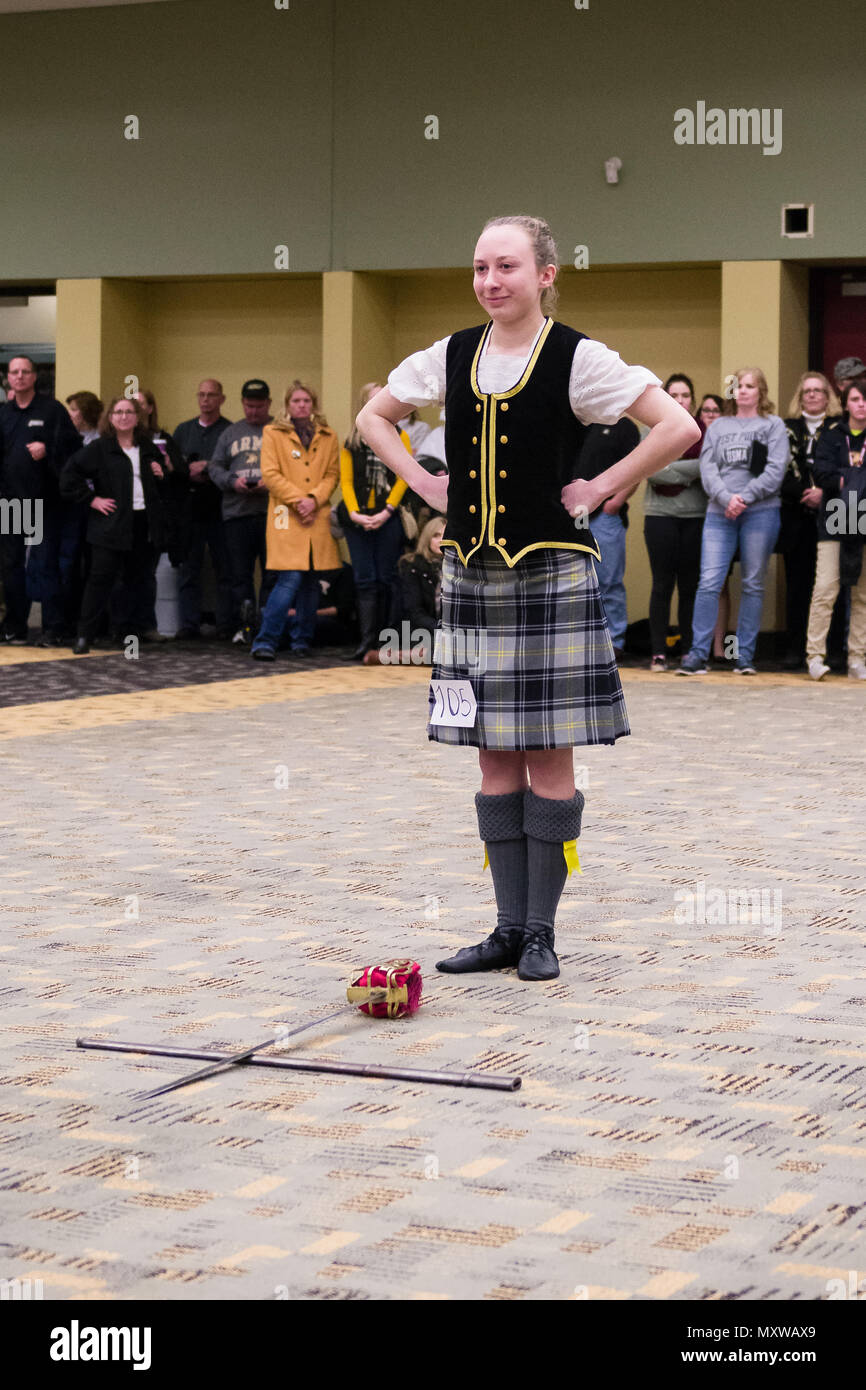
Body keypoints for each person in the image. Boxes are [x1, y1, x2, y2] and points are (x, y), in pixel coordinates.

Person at [357, 214, 697, 983]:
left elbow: (676, 426)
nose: (490, 281)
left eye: (506, 266)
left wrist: (603, 485)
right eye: (481, 267)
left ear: (545, 274)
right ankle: (506, 927)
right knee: (490, 760)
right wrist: (422, 482)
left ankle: (540, 931)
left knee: (548, 757)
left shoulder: (578, 357)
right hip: (470, 579)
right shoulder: (451, 354)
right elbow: (373, 417)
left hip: (550, 578)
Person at [678, 367, 789, 676]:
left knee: (752, 583)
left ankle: (744, 657)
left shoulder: (773, 425)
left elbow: (776, 469)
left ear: (761, 391)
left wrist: (745, 498)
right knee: (709, 581)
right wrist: (727, 499)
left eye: (750, 386)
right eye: (738, 385)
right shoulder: (718, 427)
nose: (743, 390)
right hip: (720, 513)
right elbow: (708, 468)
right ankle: (697, 655)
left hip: (761, 512)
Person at [60, 397, 188, 653]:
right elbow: (69, 476)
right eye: (118, 412)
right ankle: (85, 635)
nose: (124, 416)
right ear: (110, 417)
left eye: (129, 412)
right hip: (111, 524)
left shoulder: (148, 447)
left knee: (136, 580)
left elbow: (164, 484)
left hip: (143, 523)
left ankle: (128, 633)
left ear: (137, 418)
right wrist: (92, 499)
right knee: (100, 579)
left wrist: (161, 474)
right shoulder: (100, 448)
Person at [250, 380, 340, 660]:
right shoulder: (273, 432)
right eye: (296, 401)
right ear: (287, 405)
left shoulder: (328, 435)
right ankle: (265, 641)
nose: (301, 405)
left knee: (311, 581)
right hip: (286, 514)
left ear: (314, 404)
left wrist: (313, 499)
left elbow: (332, 474)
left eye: (306, 401)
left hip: (316, 513)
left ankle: (302, 640)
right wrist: (299, 500)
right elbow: (270, 474)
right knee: (289, 578)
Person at [0, 355, 81, 645]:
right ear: (8, 378)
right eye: (14, 372)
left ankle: (53, 628)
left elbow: (74, 447)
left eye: (25, 371)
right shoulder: (4, 413)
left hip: (44, 502)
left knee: (45, 563)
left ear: (35, 376)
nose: (19, 376)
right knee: (11, 566)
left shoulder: (52, 409)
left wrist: (48, 448)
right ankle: (15, 626)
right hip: (12, 504)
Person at [338, 383, 413, 662]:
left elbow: (405, 475)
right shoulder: (351, 441)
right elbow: (346, 481)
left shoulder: (400, 435)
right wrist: (355, 513)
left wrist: (387, 510)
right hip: (358, 517)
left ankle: (386, 641)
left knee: (387, 578)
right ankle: (366, 641)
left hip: (388, 516)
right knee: (365, 580)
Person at [642, 373, 708, 670]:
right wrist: (687, 472)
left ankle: (687, 651)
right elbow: (650, 470)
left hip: (695, 516)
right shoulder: (651, 428)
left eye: (685, 395)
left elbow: (706, 467)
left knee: (689, 587)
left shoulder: (701, 431)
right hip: (660, 517)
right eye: (674, 395)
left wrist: (669, 465)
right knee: (661, 585)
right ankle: (658, 652)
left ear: (692, 399)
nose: (680, 400)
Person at [780, 372, 842, 670]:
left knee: (832, 584)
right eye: (808, 391)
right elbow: (779, 468)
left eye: (819, 390)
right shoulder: (786, 428)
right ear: (800, 397)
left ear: (828, 397)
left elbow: (845, 469)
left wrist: (823, 493)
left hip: (833, 513)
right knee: (798, 584)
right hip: (796, 514)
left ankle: (834, 651)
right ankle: (795, 649)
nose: (813, 395)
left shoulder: (840, 428)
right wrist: (804, 493)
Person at [806, 375, 866, 681]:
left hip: (864, 520)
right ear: (845, 404)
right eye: (855, 399)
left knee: (863, 594)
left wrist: (849, 477)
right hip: (834, 518)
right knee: (826, 588)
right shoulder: (831, 435)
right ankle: (815, 656)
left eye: (865, 400)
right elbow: (821, 472)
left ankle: (858, 658)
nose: (861, 405)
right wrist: (854, 478)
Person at [206, 380, 274, 644]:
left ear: (268, 404)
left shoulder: (278, 431)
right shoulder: (230, 433)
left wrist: (272, 482)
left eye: (259, 406)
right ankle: (243, 627)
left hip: (271, 514)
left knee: (272, 574)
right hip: (236, 513)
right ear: (242, 403)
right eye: (249, 406)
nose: (253, 411)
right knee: (239, 575)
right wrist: (232, 482)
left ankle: (267, 626)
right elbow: (215, 467)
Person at [173, 379, 233, 639]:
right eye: (201, 395)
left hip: (222, 508)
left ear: (222, 399)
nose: (205, 400)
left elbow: (235, 465)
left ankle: (226, 624)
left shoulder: (230, 431)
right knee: (188, 569)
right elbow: (172, 466)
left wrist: (208, 467)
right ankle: (188, 625)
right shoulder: (183, 430)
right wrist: (187, 469)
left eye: (211, 395)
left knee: (225, 569)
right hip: (190, 508)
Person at [578, 417, 641, 661]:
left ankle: (614, 641)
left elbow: (635, 470)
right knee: (576, 582)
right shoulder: (579, 423)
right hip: (573, 514)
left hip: (606, 516)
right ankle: (583, 642)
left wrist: (615, 503)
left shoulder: (625, 427)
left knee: (609, 581)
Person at [398, 515, 445, 662]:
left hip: (450, 631)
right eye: (436, 536)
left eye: (446, 535)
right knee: (445, 650)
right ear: (427, 538)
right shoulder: (412, 566)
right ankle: (395, 656)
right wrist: (441, 629)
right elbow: (414, 611)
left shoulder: (460, 567)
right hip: (422, 630)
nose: (442, 540)